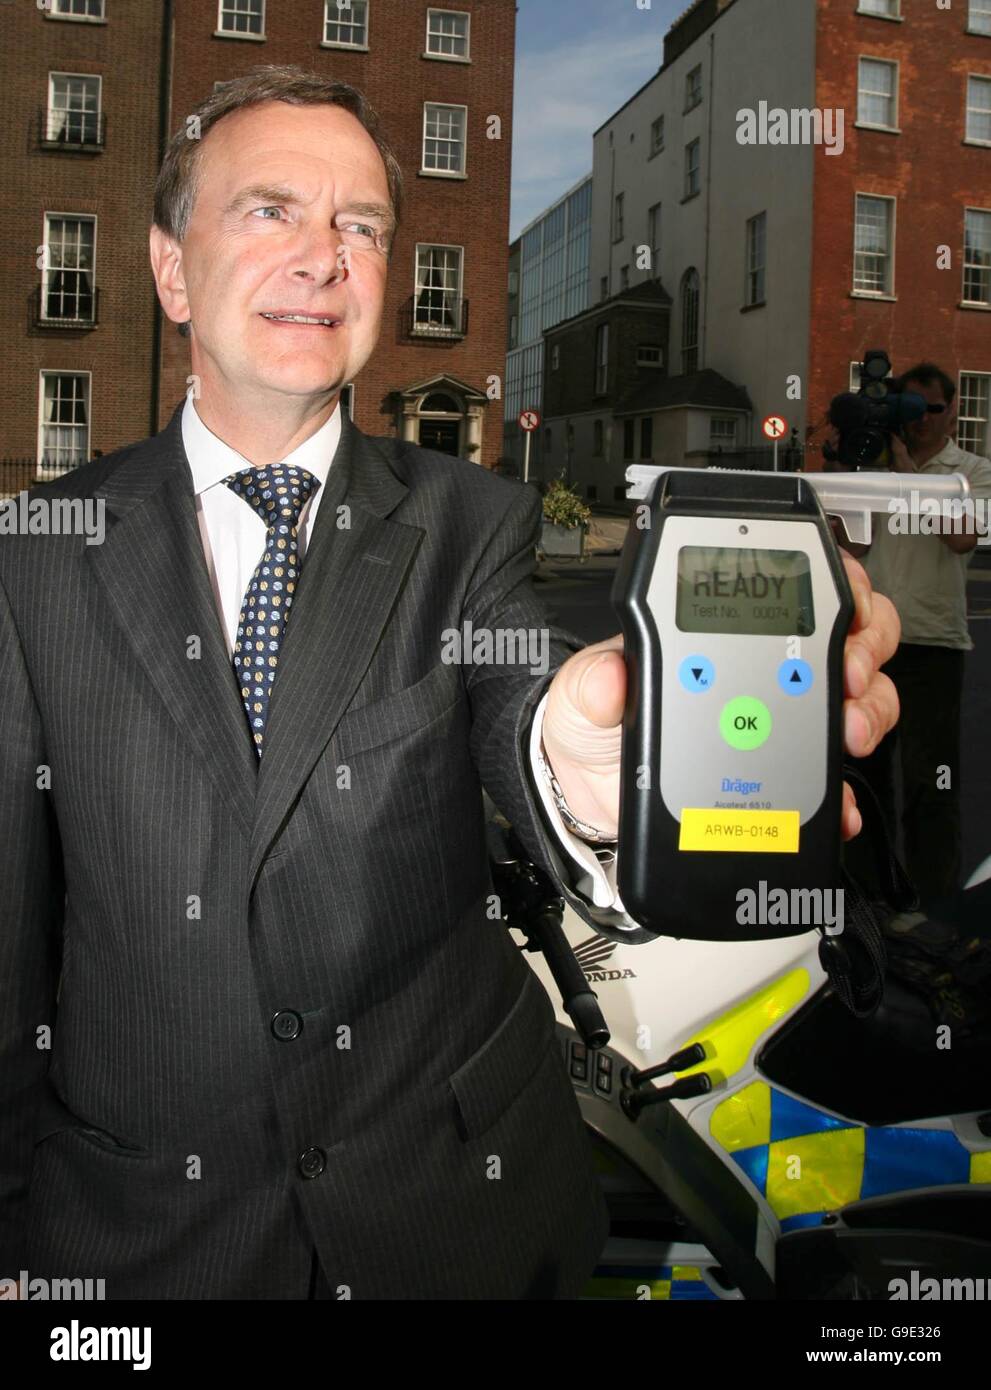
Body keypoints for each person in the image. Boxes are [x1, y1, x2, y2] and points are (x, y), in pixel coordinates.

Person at [0, 66, 899, 1300]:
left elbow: (520, 697)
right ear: (170, 270)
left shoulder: (471, 519)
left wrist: (588, 765)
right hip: (147, 1240)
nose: (323, 256)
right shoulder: (38, 557)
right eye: (270, 211)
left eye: (360, 225)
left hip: (452, 1221)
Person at [842, 363, 991, 912]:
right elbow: (849, 548)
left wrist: (906, 474)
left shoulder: (970, 470)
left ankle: (934, 908)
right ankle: (870, 902)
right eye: (912, 409)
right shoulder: (877, 466)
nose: (923, 420)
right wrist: (850, 472)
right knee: (864, 777)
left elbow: (961, 537)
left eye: (933, 409)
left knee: (933, 785)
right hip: (872, 639)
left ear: (951, 410)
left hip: (934, 644)